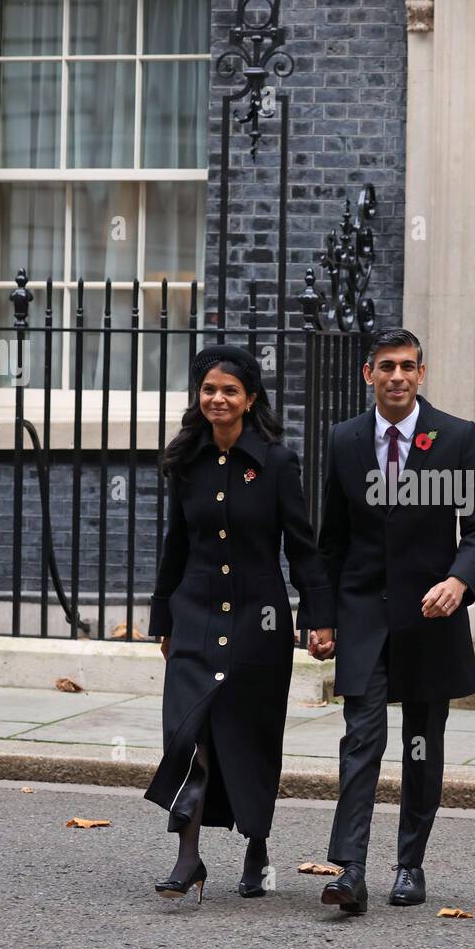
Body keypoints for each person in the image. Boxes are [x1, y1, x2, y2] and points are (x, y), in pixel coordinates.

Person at [312, 328, 475, 914]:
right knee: (361, 739)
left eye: (408, 366)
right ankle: (351, 871)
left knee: (421, 743)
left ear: (422, 374)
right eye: (386, 366)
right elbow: (331, 541)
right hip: (366, 614)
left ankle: (410, 866)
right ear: (368, 374)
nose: (397, 375)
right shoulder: (344, 439)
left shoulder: (456, 437)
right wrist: (320, 617)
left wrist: (460, 580)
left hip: (429, 616)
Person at [146, 343, 335, 902]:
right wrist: (164, 618)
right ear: (198, 397)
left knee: (250, 736)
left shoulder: (276, 462)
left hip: (260, 619)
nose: (218, 398)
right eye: (209, 389)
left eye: (230, 390)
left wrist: (318, 617)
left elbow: (302, 546)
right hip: (196, 613)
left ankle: (256, 844)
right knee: (190, 730)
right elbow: (176, 544)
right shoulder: (185, 460)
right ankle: (188, 856)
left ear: (251, 399)